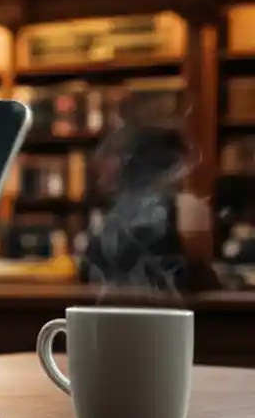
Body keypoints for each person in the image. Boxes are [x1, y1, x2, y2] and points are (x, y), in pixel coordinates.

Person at [79, 125, 219, 293]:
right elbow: (200, 276)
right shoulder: (188, 207)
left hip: (107, 312)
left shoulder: (111, 218)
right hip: (170, 313)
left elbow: (87, 273)